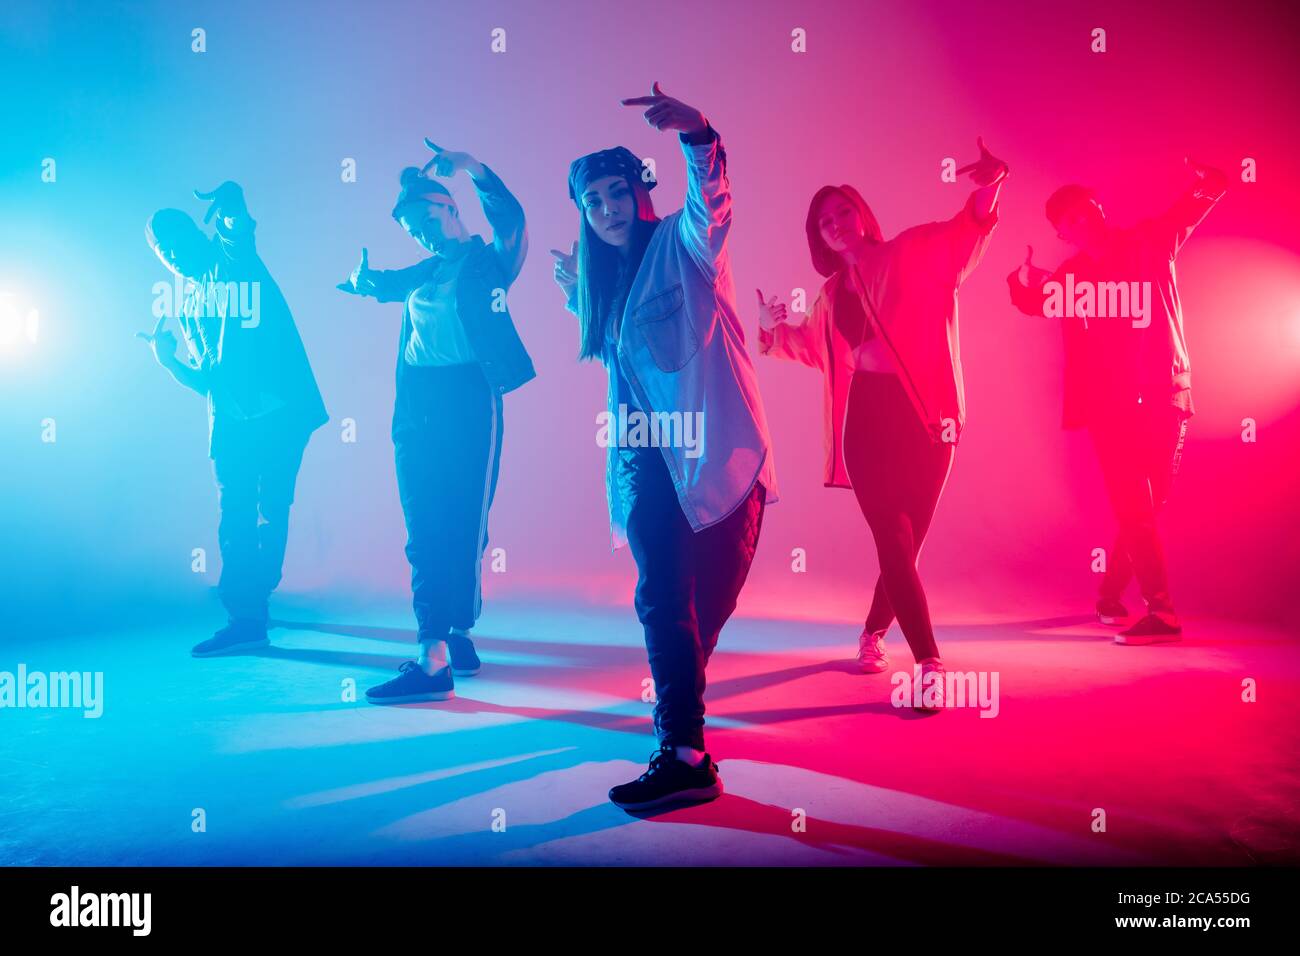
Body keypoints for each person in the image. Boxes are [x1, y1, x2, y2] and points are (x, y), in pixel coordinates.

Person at [552, 83, 778, 809]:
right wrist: (575, 294)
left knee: (707, 605)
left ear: (639, 193)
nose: (608, 208)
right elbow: (628, 363)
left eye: (617, 192)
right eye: (594, 201)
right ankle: (683, 749)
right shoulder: (602, 284)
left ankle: (680, 715)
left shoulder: (684, 248)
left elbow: (712, 209)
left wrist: (700, 136)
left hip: (718, 459)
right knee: (659, 599)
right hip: (644, 460)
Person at [757, 138, 1005, 710]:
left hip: (929, 417)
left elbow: (966, 231)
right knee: (891, 538)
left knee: (907, 545)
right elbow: (808, 348)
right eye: (825, 222)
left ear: (863, 215)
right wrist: (772, 327)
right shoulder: (828, 294)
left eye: (844, 211)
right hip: (866, 420)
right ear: (818, 238)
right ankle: (929, 664)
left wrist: (990, 184)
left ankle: (871, 631)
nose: (837, 224)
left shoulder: (912, 250)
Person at [338, 140, 534, 702]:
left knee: (466, 521)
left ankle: (453, 634)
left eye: (427, 219)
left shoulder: (489, 263)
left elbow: (512, 219)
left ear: (450, 208)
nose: (422, 234)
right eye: (411, 228)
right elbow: (384, 285)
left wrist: (472, 165)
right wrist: (363, 282)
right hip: (417, 404)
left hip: (471, 398)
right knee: (424, 523)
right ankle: (434, 651)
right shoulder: (422, 270)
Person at [1007, 158, 1228, 644]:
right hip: (1110, 406)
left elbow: (1201, 202)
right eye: (1066, 224)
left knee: (1151, 504)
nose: (1077, 225)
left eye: (1082, 213)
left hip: (1167, 392)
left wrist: (1210, 178)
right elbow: (1035, 304)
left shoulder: (1153, 239)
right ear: (1063, 235)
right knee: (1133, 504)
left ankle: (1110, 593)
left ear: (1099, 209)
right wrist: (1021, 283)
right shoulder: (1074, 275)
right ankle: (1163, 613)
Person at [139, 181, 328, 656]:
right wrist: (168, 362)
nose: (172, 255)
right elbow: (207, 380)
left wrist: (232, 202)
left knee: (271, 509)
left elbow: (237, 232)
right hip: (230, 426)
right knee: (235, 517)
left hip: (280, 417)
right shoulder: (187, 305)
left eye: (176, 242)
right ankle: (247, 615)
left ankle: (254, 601)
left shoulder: (233, 261)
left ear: (196, 235)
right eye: (162, 251)